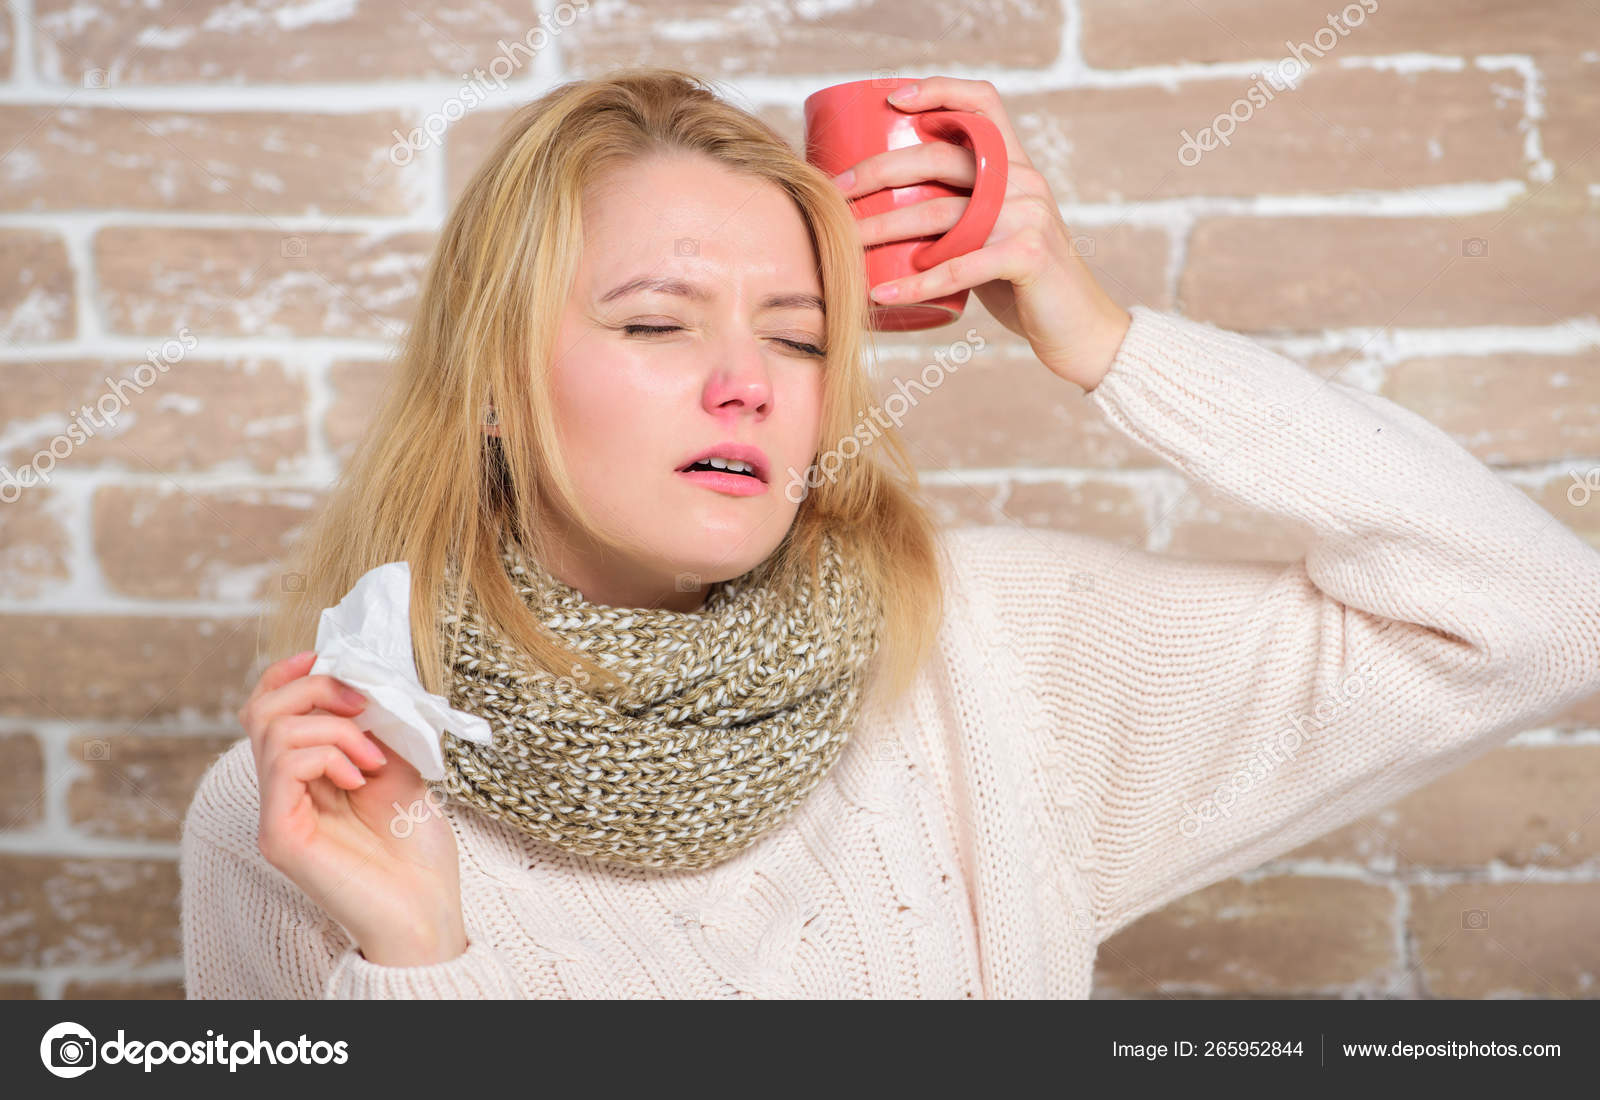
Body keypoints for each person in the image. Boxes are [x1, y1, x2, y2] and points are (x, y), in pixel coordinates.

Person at [178, 68, 1600, 999]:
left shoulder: (992, 657)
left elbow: (1541, 616)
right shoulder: (306, 803)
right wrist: (420, 960)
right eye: (657, 323)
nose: (746, 378)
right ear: (490, 385)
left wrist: (1104, 341)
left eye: (797, 339)